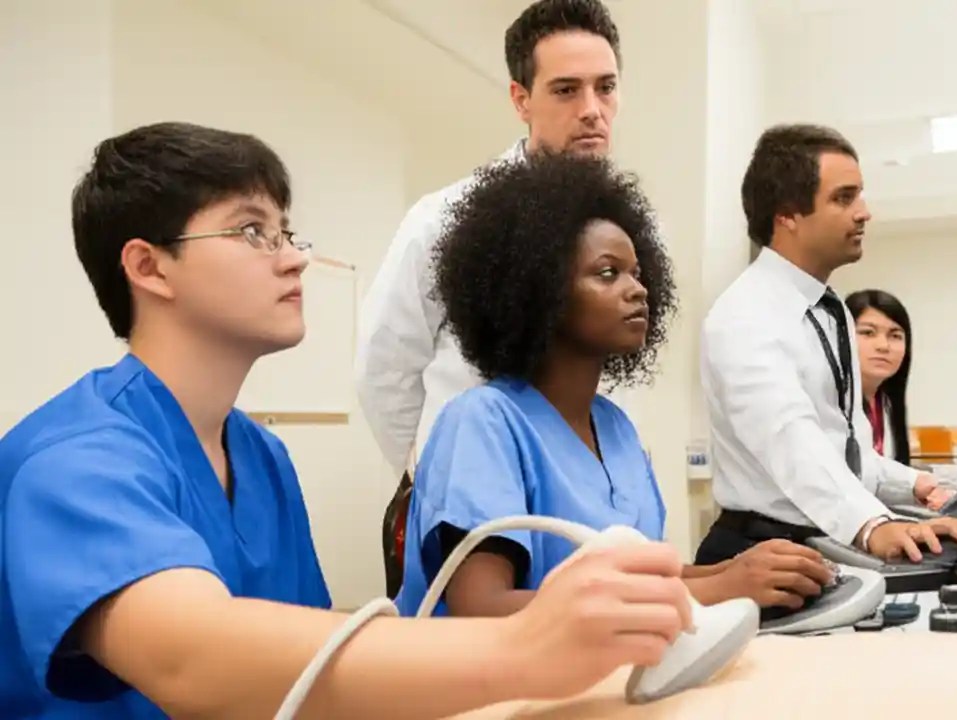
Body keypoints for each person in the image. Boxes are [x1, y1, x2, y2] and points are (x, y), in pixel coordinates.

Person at [0, 122, 695, 719]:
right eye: (253, 232)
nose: (297, 257)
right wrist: (525, 644)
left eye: (288, 232)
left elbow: (314, 657)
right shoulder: (74, 459)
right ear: (149, 267)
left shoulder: (261, 456)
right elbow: (190, 658)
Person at [395, 152, 835, 620]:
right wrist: (718, 589)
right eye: (608, 273)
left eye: (637, 274)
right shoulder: (482, 423)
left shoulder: (616, 428)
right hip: (498, 690)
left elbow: (640, 581)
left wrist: (737, 569)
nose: (637, 289)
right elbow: (483, 607)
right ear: (539, 290)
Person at [697, 124, 957, 567]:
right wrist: (873, 525)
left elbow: (845, 449)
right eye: (844, 198)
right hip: (764, 554)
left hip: (820, 536)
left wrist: (916, 485)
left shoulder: (826, 306)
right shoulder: (745, 316)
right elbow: (790, 440)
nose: (864, 212)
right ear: (788, 216)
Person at [356, 0, 630, 475]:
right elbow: (384, 371)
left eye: (605, 88)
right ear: (521, 99)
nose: (592, 110)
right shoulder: (445, 219)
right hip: (477, 504)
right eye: (566, 90)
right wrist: (435, 478)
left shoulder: (628, 229)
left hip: (590, 500)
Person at [845, 289, 952, 510]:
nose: (883, 346)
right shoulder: (829, 400)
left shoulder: (886, 403)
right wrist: (914, 483)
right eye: (867, 333)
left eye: (895, 335)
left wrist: (926, 490)